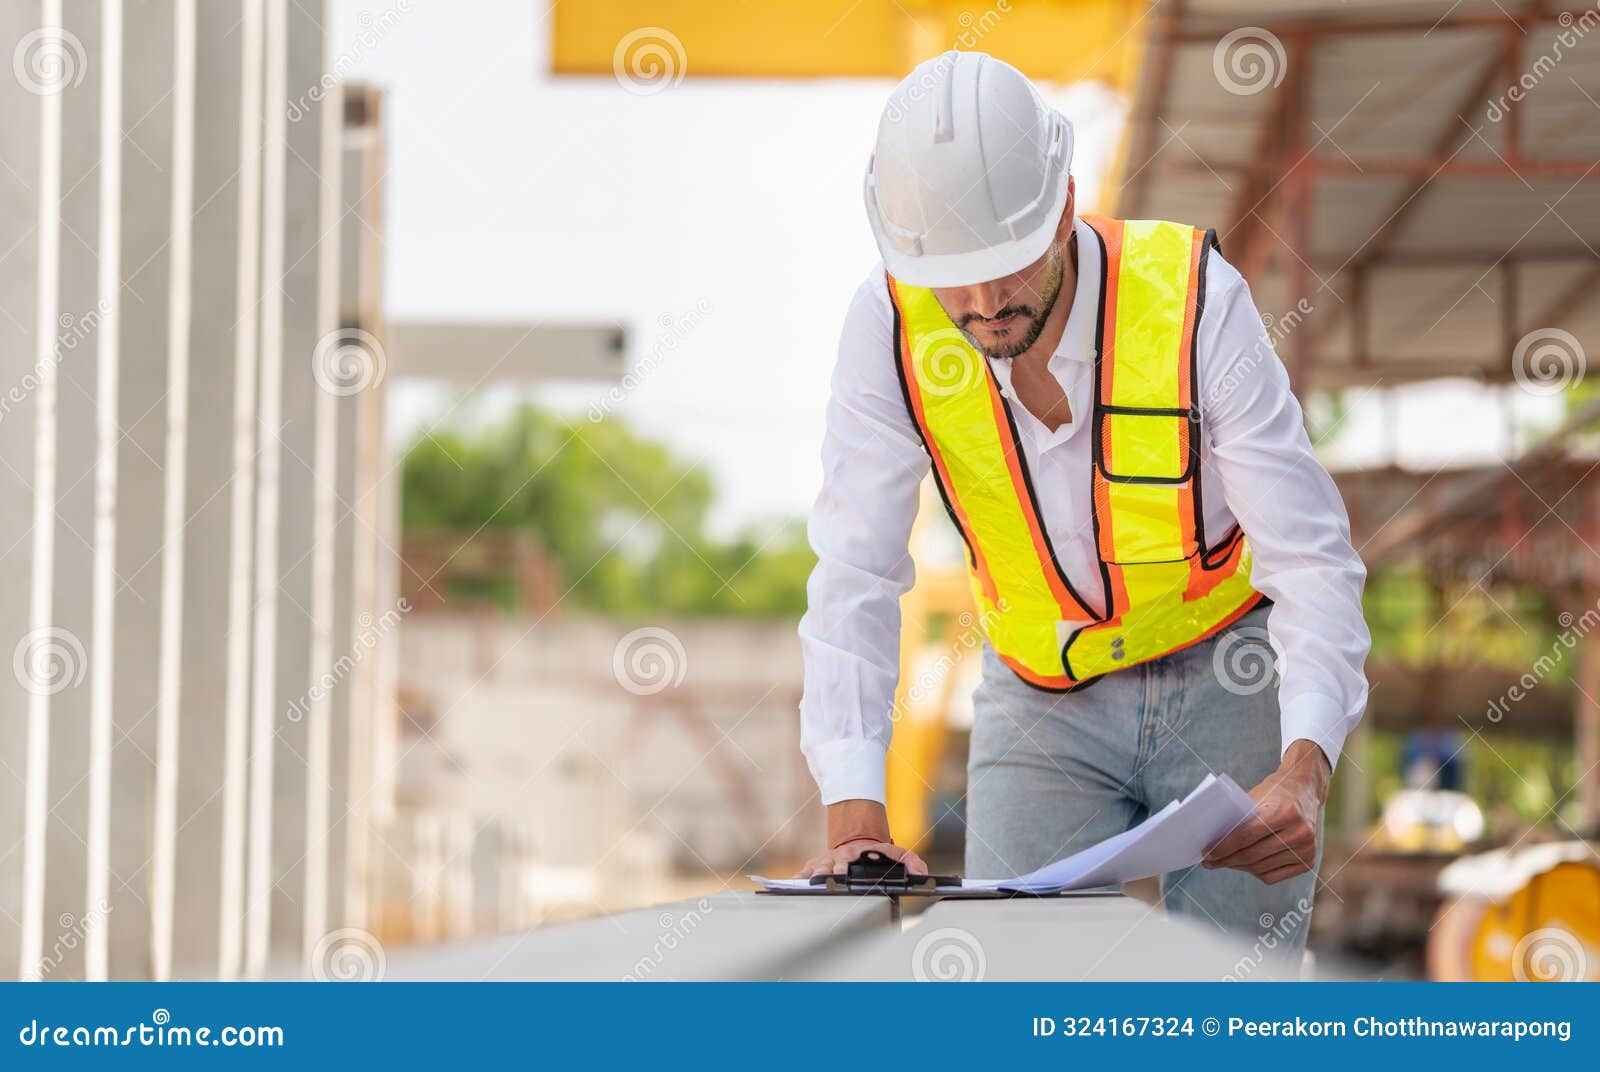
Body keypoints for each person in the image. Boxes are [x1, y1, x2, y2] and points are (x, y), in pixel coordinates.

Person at [793, 51, 1369, 951]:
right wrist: (856, 820)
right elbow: (856, 570)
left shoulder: (1194, 302)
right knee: (1021, 997)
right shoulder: (889, 327)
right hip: (1038, 691)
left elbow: (1311, 557)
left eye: (1009, 266)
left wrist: (1304, 770)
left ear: (1064, 207)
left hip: (1229, 672)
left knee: (1234, 1006)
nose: (983, 306)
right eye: (955, 275)